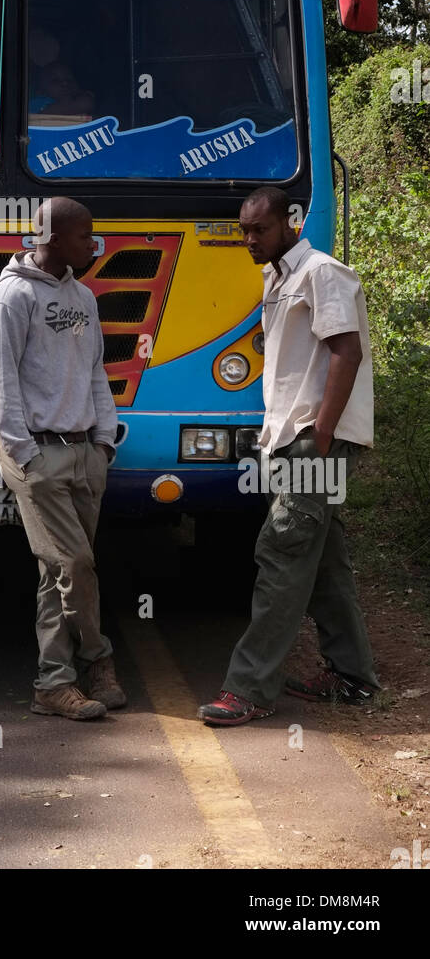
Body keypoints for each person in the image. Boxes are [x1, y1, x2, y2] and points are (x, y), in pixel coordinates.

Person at [199, 186, 380, 726]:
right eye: (244, 230)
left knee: (280, 552)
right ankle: (353, 676)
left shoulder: (322, 273)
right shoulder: (277, 276)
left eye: (260, 229)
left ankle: (250, 688)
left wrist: (320, 435)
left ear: (291, 224)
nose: (249, 239)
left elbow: (346, 352)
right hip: (289, 436)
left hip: (312, 436)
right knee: (323, 558)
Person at [0, 197, 124, 721]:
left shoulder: (84, 296)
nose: (94, 243)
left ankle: (53, 683)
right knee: (76, 563)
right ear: (54, 238)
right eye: (85, 235)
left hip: (85, 452)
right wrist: (25, 455)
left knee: (55, 573)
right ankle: (99, 658)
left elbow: (94, 373)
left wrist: (103, 443)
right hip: (36, 456)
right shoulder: (10, 300)